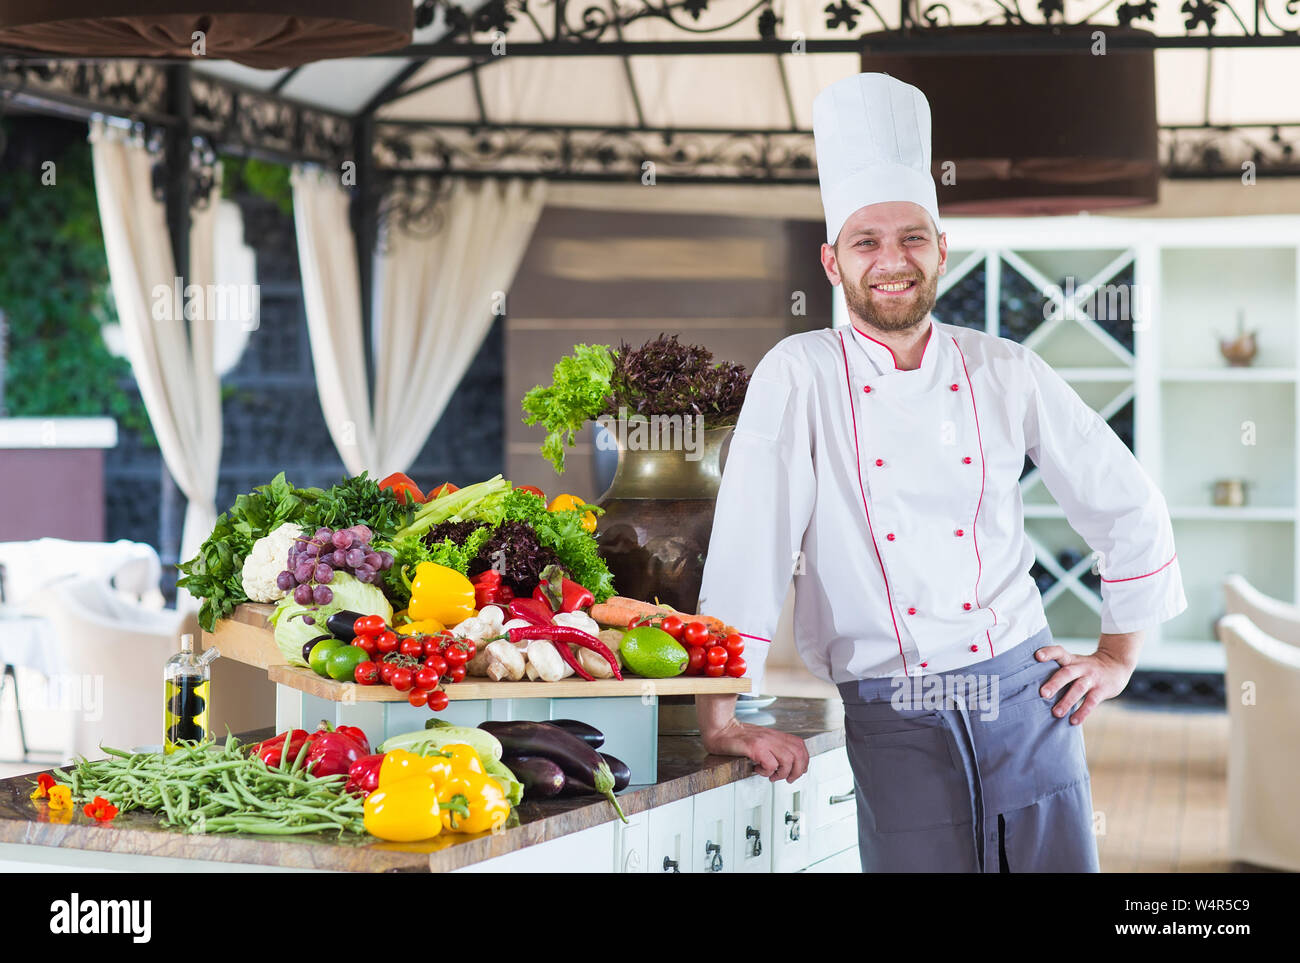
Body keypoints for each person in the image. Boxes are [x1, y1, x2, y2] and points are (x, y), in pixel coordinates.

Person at [693, 72, 1186, 872]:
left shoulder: (1003, 367)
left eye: (912, 238)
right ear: (831, 261)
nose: (893, 261)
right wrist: (721, 715)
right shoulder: (800, 373)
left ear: (941, 249)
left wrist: (1117, 656)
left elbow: (1127, 502)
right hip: (894, 715)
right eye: (866, 241)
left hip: (1027, 697)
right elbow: (750, 547)